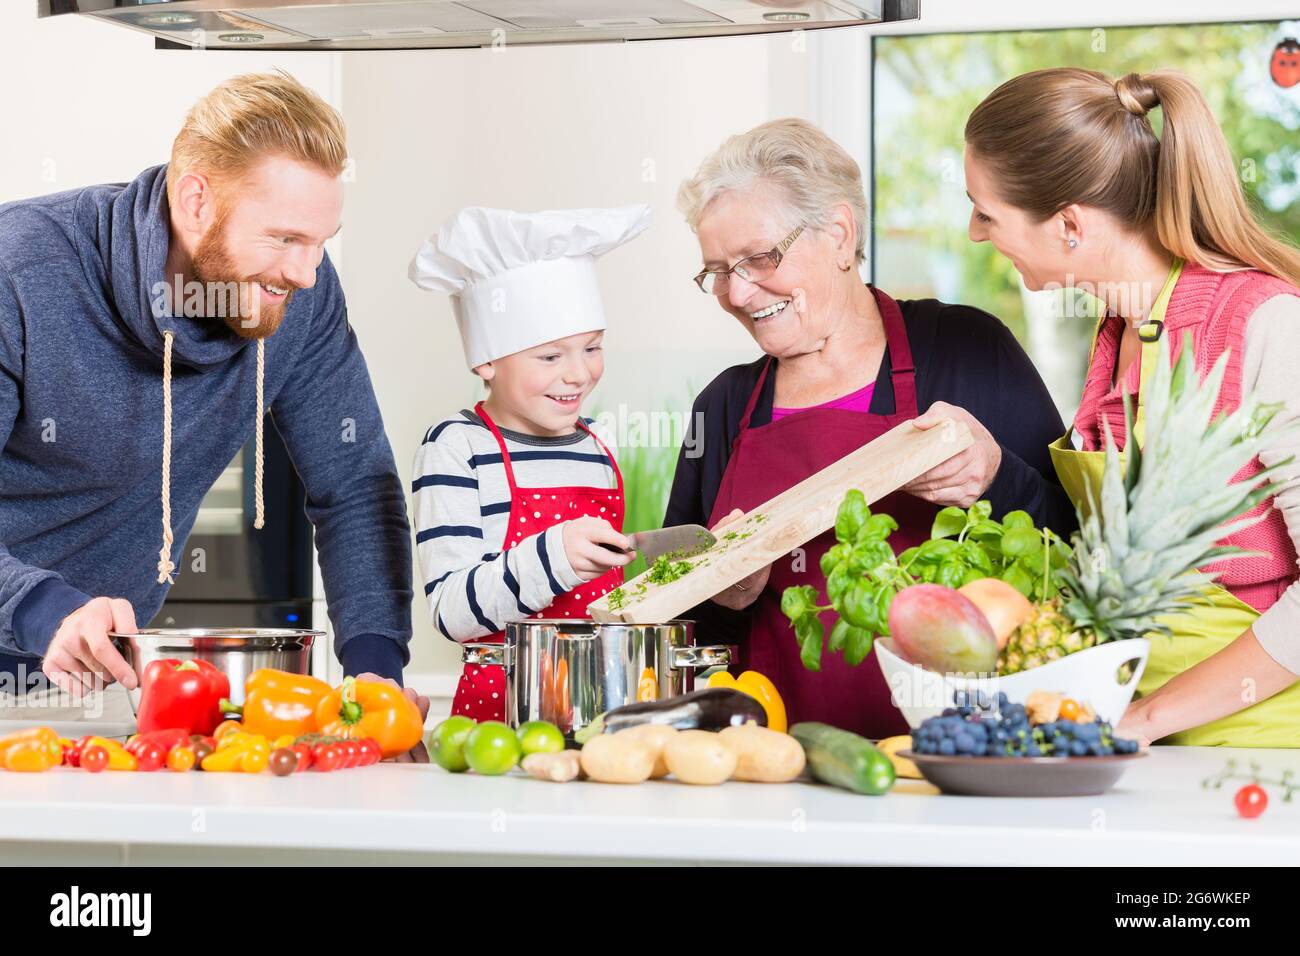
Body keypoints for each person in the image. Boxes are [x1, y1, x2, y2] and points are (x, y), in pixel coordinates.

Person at [0, 71, 422, 736]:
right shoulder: (21, 270)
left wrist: (376, 666)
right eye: (284, 239)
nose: (306, 273)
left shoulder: (298, 294)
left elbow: (355, 484)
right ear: (195, 201)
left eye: (320, 243)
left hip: (103, 688)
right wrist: (40, 608)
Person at [664, 118, 1073, 738]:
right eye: (718, 271)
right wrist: (723, 594)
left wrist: (996, 476)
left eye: (759, 258)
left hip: (959, 756)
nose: (739, 293)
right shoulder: (722, 408)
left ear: (838, 234)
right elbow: (676, 631)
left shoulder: (966, 350)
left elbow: (1073, 552)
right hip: (773, 767)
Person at [964, 67, 1300, 747]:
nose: (973, 232)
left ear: (1068, 225)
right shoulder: (1117, 334)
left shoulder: (1266, 327)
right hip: (1138, 743)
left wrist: (1143, 720)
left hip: (1259, 758)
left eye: (985, 211)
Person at [408, 205, 649, 720]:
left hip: (599, 708)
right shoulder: (457, 446)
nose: (579, 374)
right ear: (487, 361)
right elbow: (451, 611)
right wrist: (555, 555)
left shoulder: (597, 446)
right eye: (550, 357)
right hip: (503, 715)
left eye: (592, 348)